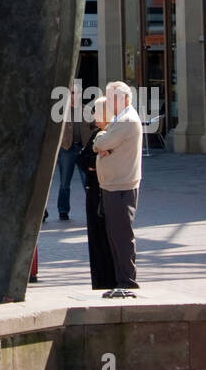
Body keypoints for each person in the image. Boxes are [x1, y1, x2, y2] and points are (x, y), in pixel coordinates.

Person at [92, 81, 143, 293]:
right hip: (113, 186)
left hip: (121, 187)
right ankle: (120, 280)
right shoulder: (119, 119)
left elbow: (102, 143)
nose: (110, 102)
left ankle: (127, 281)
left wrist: (101, 141)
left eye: (113, 97)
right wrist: (102, 140)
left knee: (121, 237)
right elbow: (101, 140)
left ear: (124, 98)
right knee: (115, 236)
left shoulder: (127, 120)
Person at [76, 95, 116, 291]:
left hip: (104, 192)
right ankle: (98, 282)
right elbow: (82, 160)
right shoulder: (95, 134)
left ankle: (109, 280)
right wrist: (94, 162)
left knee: (105, 238)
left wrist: (94, 163)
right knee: (95, 240)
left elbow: (99, 162)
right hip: (92, 192)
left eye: (97, 113)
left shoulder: (112, 135)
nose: (93, 117)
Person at [55, 86, 86, 221]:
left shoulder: (87, 110)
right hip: (67, 149)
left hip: (83, 149)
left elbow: (93, 127)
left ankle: (93, 209)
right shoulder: (61, 111)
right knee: (64, 183)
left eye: (77, 93)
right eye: (72, 93)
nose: (75, 95)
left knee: (87, 182)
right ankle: (63, 210)